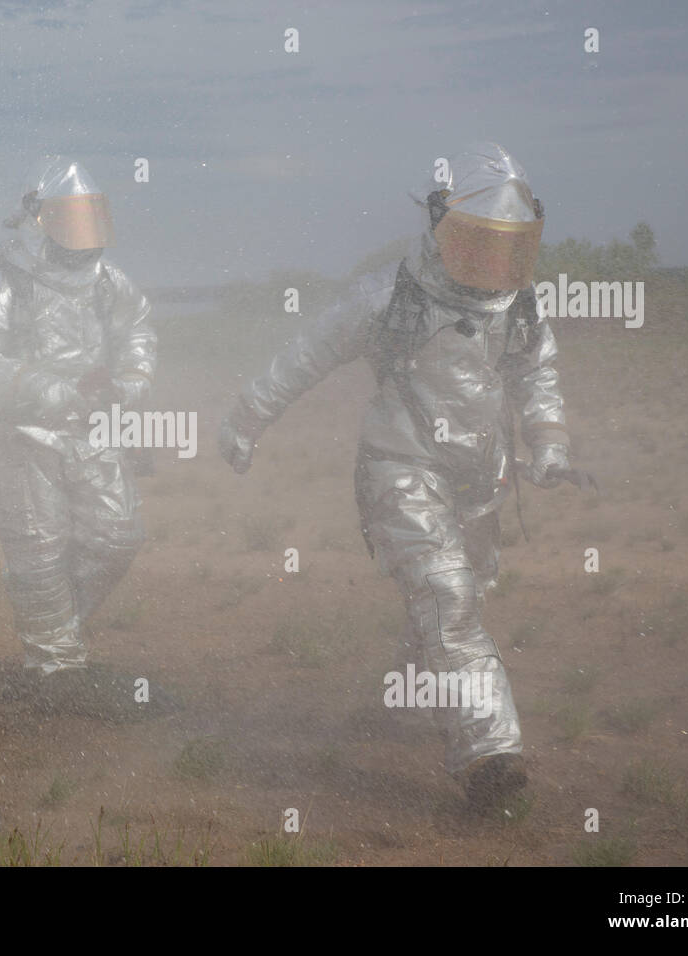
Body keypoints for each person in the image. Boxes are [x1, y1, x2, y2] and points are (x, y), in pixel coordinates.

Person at [219, 143, 572, 807]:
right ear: (439, 227)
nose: (493, 262)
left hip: (481, 480)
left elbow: (535, 373)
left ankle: (409, 707)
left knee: (452, 602)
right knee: (447, 601)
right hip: (400, 472)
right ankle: (492, 755)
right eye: (478, 243)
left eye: (507, 247)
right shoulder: (387, 296)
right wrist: (244, 420)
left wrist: (549, 440)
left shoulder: (519, 305)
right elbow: (305, 356)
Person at [0, 157, 156, 712]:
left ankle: (58, 636)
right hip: (26, 437)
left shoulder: (111, 283)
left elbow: (137, 336)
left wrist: (127, 386)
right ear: (41, 221)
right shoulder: (10, 284)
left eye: (89, 216)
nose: (83, 230)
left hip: (97, 431)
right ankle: (54, 669)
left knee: (119, 536)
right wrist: (43, 388)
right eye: (70, 217)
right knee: (38, 551)